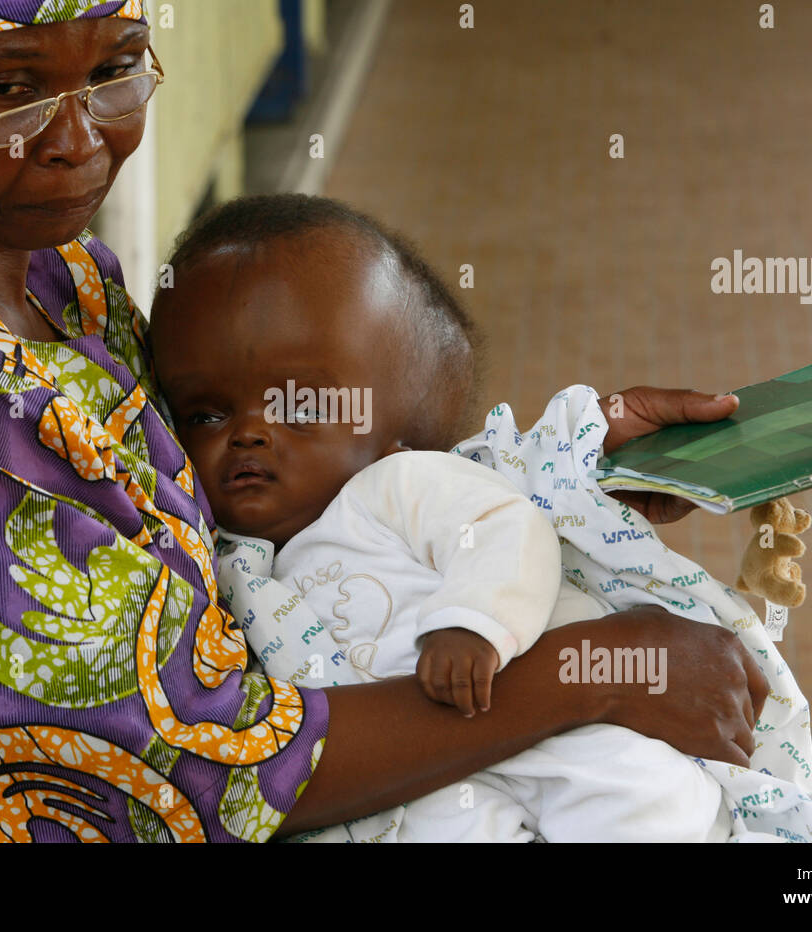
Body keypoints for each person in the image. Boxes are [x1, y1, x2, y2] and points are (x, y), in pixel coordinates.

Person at [0, 0, 768, 843]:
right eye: (9, 86)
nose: (78, 137)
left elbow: (238, 483)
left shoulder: (32, 265)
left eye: (113, 70)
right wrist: (591, 671)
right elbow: (197, 773)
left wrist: (546, 478)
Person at [149, 194, 735, 842]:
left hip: (540, 717)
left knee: (631, 794)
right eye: (206, 414)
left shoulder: (397, 486)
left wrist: (472, 624)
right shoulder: (228, 558)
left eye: (301, 405)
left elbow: (506, 528)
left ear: (399, 440)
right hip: (424, 774)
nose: (249, 432)